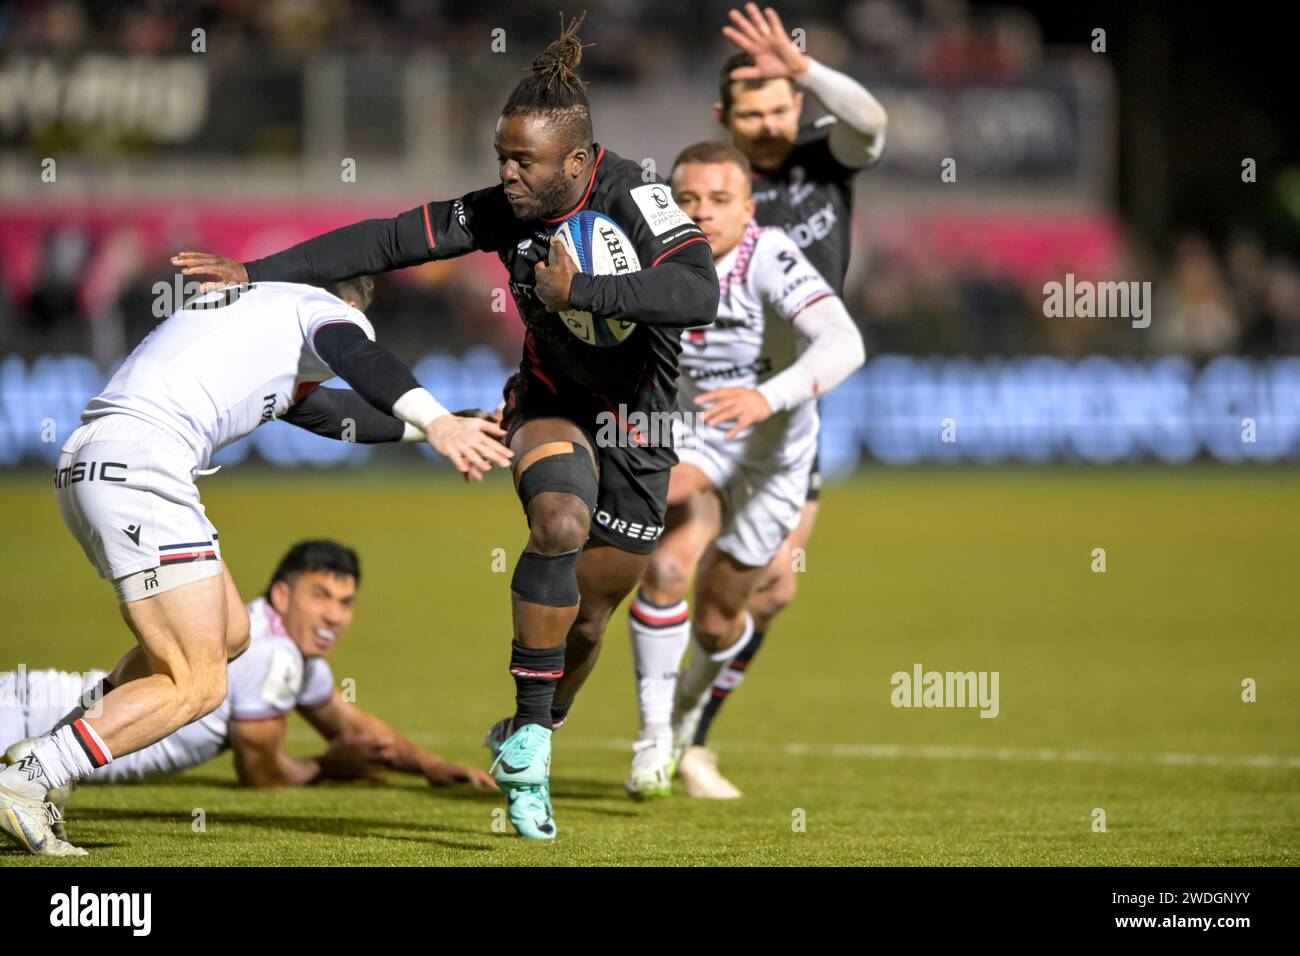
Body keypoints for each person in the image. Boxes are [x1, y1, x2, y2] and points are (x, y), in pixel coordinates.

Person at [170, 14, 719, 840]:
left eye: (522, 161)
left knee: (595, 613)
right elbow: (389, 240)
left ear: (577, 162)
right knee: (559, 522)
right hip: (550, 401)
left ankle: (532, 726)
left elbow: (698, 292)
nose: (506, 174)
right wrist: (257, 272)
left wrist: (587, 296)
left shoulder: (637, 197)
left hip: (640, 422)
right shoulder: (506, 208)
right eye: (502, 155)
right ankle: (533, 744)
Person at [0, 277, 510, 856]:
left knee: (232, 633)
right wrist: (440, 425)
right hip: (145, 469)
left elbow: (325, 412)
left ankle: (42, 754)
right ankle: (32, 776)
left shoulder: (250, 323)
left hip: (96, 460)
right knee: (199, 683)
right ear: (349, 301)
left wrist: (445, 419)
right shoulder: (325, 313)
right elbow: (359, 357)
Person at [663, 3, 887, 795]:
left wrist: (807, 68)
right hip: (699, 407)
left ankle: (690, 732)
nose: (767, 124)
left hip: (791, 404)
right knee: (672, 555)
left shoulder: (826, 160)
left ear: (797, 104)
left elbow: (873, 120)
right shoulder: (703, 190)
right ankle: (646, 718)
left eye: (780, 107)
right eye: (750, 112)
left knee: (776, 587)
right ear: (722, 116)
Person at [624, 142, 864, 799]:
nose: (701, 213)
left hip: (772, 455)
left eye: (719, 200)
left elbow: (846, 343)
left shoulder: (771, 257)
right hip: (694, 436)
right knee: (669, 565)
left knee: (719, 617)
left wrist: (766, 396)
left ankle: (685, 721)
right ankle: (649, 738)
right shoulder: (649, 254)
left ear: (747, 210)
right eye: (687, 199)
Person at [1, 540, 496, 842]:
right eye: (320, 595)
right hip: (28, 723)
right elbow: (259, 772)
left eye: (345, 602)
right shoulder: (272, 653)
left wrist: (431, 766)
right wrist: (328, 768)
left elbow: (348, 723)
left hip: (33, 704)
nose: (334, 615)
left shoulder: (278, 642)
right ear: (282, 595)